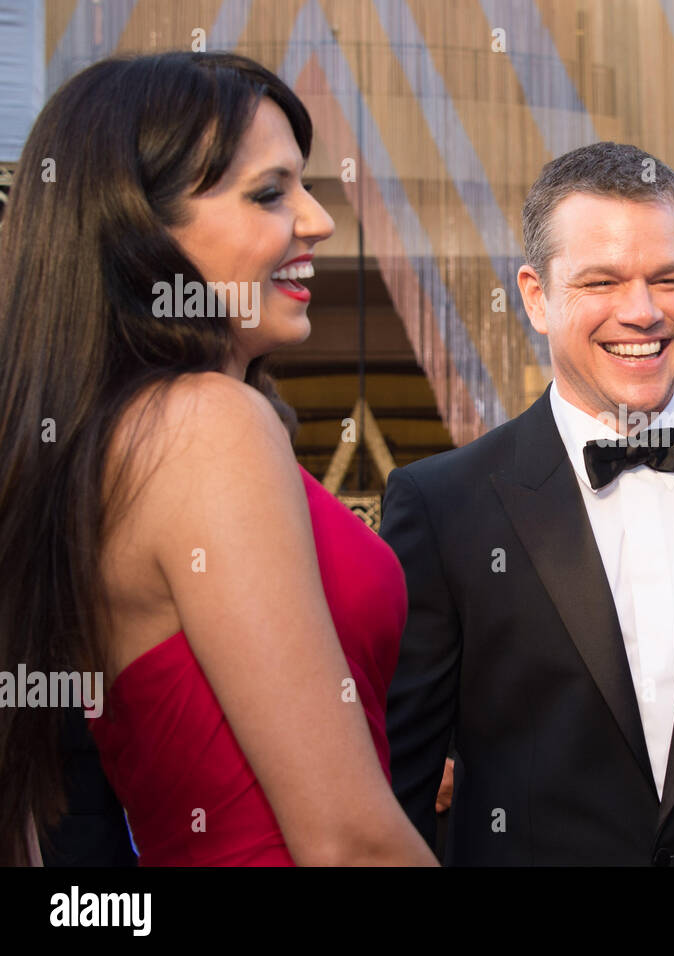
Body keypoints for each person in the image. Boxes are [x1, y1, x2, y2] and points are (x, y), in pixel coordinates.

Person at [0, 52, 436, 866]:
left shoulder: (130, 436)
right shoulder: (204, 424)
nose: (317, 220)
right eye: (269, 194)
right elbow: (347, 842)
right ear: (140, 230)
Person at [382, 142, 674, 865]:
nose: (642, 312)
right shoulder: (444, 507)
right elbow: (400, 794)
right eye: (602, 282)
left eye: (668, 278)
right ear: (537, 297)